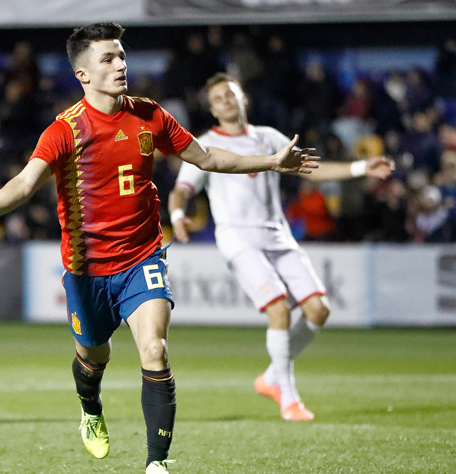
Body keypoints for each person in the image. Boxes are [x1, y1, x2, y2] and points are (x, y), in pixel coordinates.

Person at [0, 23, 317, 474]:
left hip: (143, 257)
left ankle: (156, 463)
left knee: (155, 349)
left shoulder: (149, 114)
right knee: (92, 357)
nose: (120, 65)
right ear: (82, 73)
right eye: (108, 58)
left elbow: (207, 158)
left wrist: (271, 162)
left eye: (121, 55)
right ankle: (90, 406)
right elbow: (26, 182)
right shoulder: (65, 129)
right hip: (87, 270)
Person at [168, 74, 393, 422]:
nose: (226, 100)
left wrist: (362, 166)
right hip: (238, 239)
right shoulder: (206, 145)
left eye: (231, 94)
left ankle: (273, 377)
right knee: (279, 309)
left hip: (278, 236)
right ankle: (289, 400)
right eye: (218, 98)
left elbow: (310, 169)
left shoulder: (268, 137)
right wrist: (177, 214)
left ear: (244, 99)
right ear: (212, 110)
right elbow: (182, 189)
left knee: (318, 310)